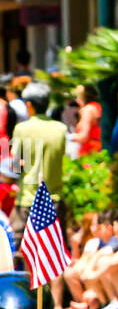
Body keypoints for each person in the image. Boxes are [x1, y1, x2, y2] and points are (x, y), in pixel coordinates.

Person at [9, 81, 68, 243]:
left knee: (20, 247)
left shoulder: (23, 128)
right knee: (51, 248)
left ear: (29, 105)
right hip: (54, 197)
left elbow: (17, 166)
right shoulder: (60, 128)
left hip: (29, 196)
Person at [72, 84, 103, 155]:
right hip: (97, 150)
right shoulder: (96, 106)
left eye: (78, 96)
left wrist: (68, 137)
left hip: (88, 153)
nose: (76, 100)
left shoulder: (87, 110)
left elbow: (84, 136)